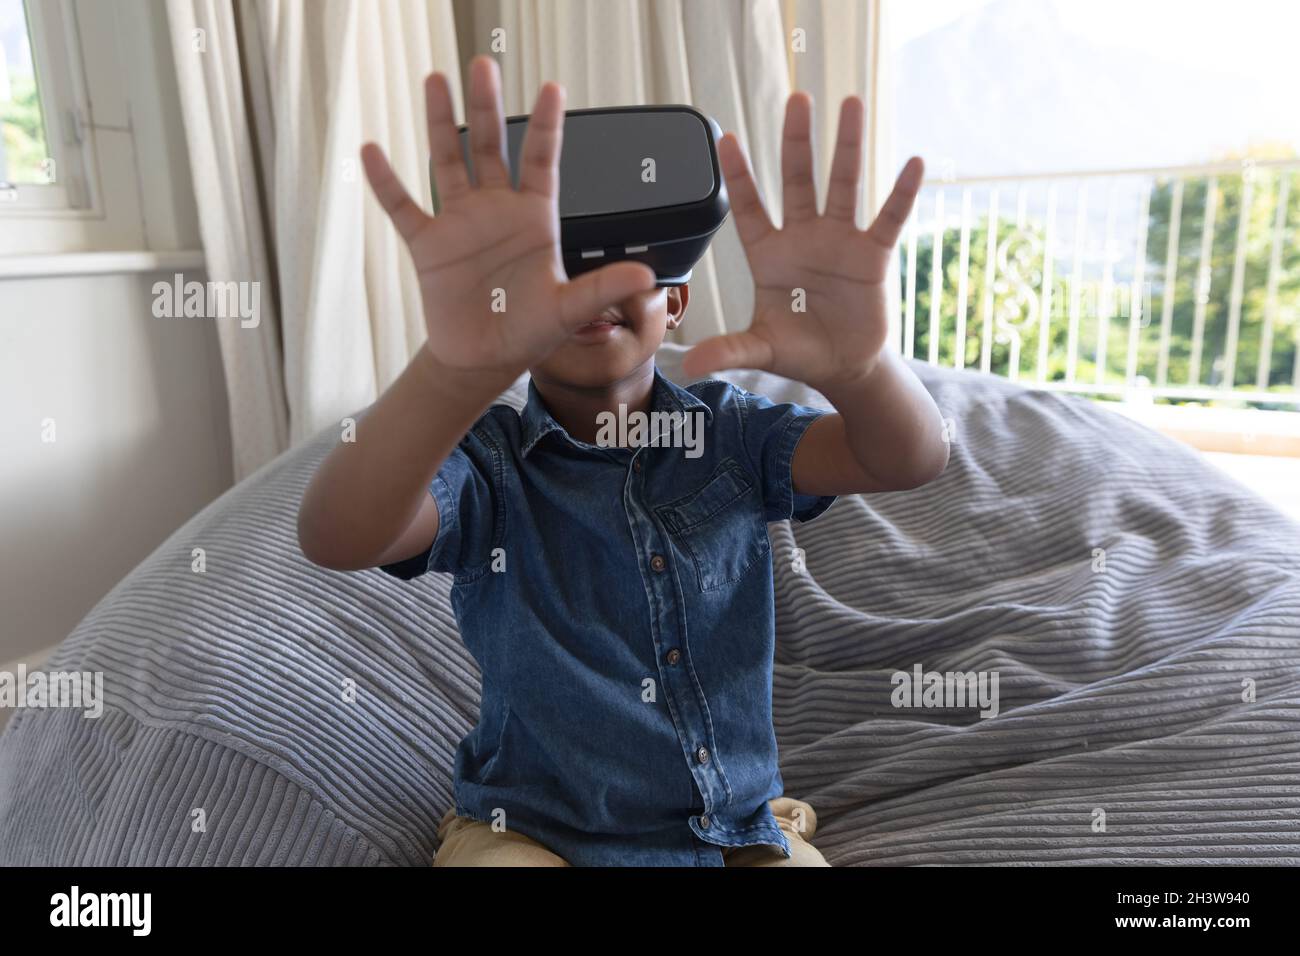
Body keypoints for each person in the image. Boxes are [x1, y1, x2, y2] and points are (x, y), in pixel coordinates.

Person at [297, 55, 947, 866]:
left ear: (674, 299)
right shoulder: (491, 467)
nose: (587, 289)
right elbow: (335, 536)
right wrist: (451, 371)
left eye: (623, 265)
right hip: (531, 832)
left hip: (734, 828)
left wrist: (859, 367)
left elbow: (907, 458)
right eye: (560, 268)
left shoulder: (732, 437)